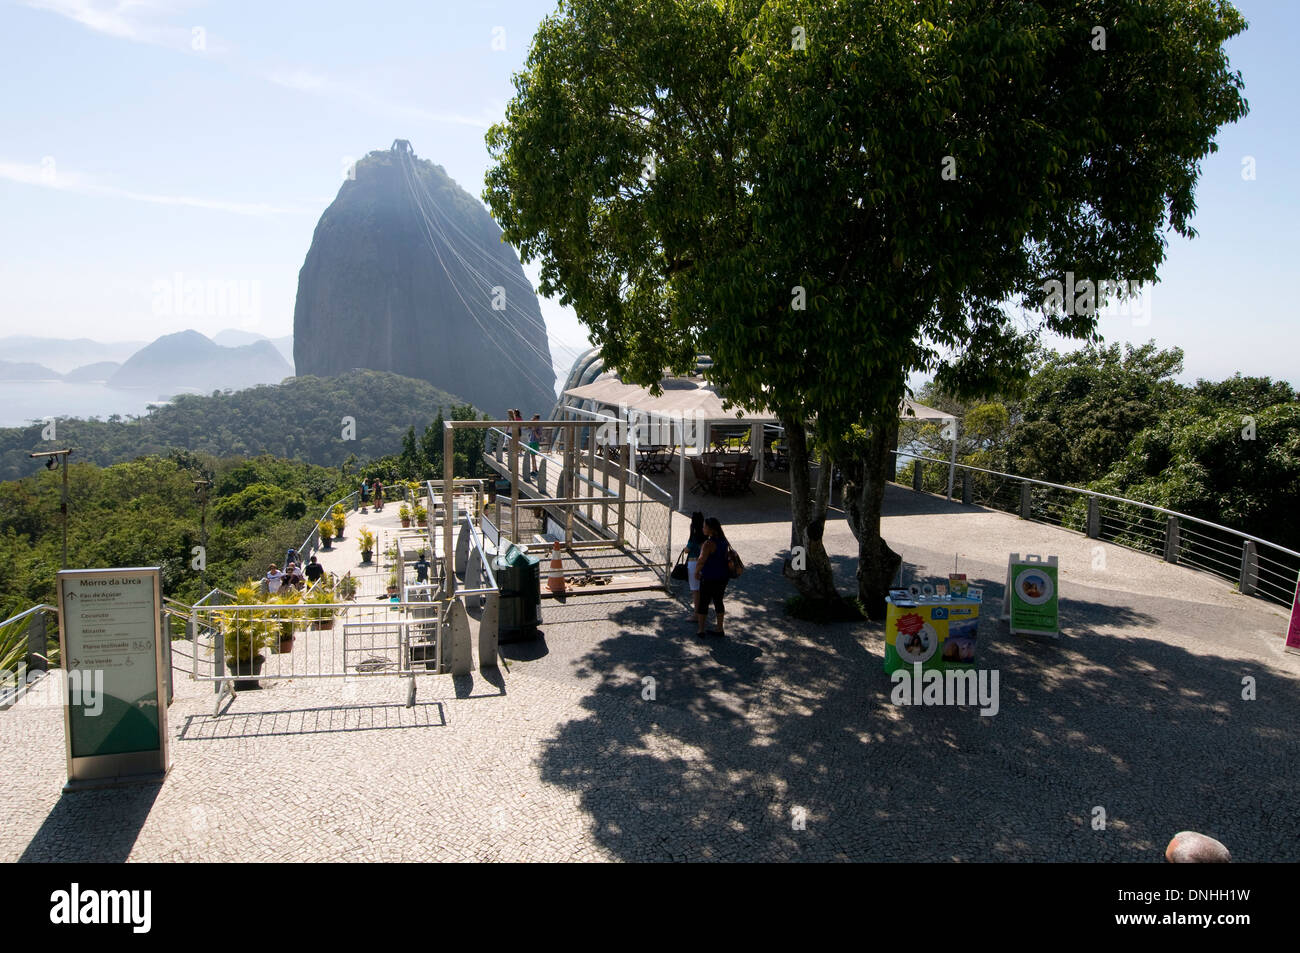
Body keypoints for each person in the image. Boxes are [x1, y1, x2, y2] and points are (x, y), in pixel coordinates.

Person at [694, 517, 732, 637]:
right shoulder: (724, 541)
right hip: (723, 576)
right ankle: (719, 628)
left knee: (704, 602)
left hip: (709, 576)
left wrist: (696, 572)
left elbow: (701, 560)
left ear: (710, 529)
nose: (703, 528)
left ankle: (701, 629)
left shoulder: (708, 543)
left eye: (705, 526)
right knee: (718, 601)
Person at [685, 511, 706, 618]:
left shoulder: (694, 537)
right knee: (702, 590)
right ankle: (702, 612)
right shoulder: (705, 536)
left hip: (693, 563)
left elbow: (687, 550)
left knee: (695, 591)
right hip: (704, 564)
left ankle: (696, 614)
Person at [528, 414, 543, 479]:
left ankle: (534, 470)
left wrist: (534, 430)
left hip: (535, 442)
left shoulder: (539, 426)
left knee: (533, 457)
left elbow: (538, 437)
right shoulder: (533, 424)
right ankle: (535, 469)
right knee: (532, 456)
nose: (533, 419)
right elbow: (528, 427)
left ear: (537, 419)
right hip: (531, 441)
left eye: (534, 418)